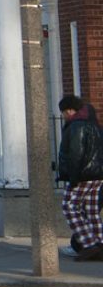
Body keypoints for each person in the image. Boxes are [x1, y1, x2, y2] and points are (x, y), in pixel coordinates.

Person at [58, 93, 103, 261]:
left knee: (69, 206)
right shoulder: (94, 124)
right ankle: (100, 243)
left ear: (70, 110)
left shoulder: (76, 126)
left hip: (82, 175)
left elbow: (75, 154)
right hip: (97, 175)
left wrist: (73, 177)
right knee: (91, 211)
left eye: (63, 112)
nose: (63, 116)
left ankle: (89, 244)